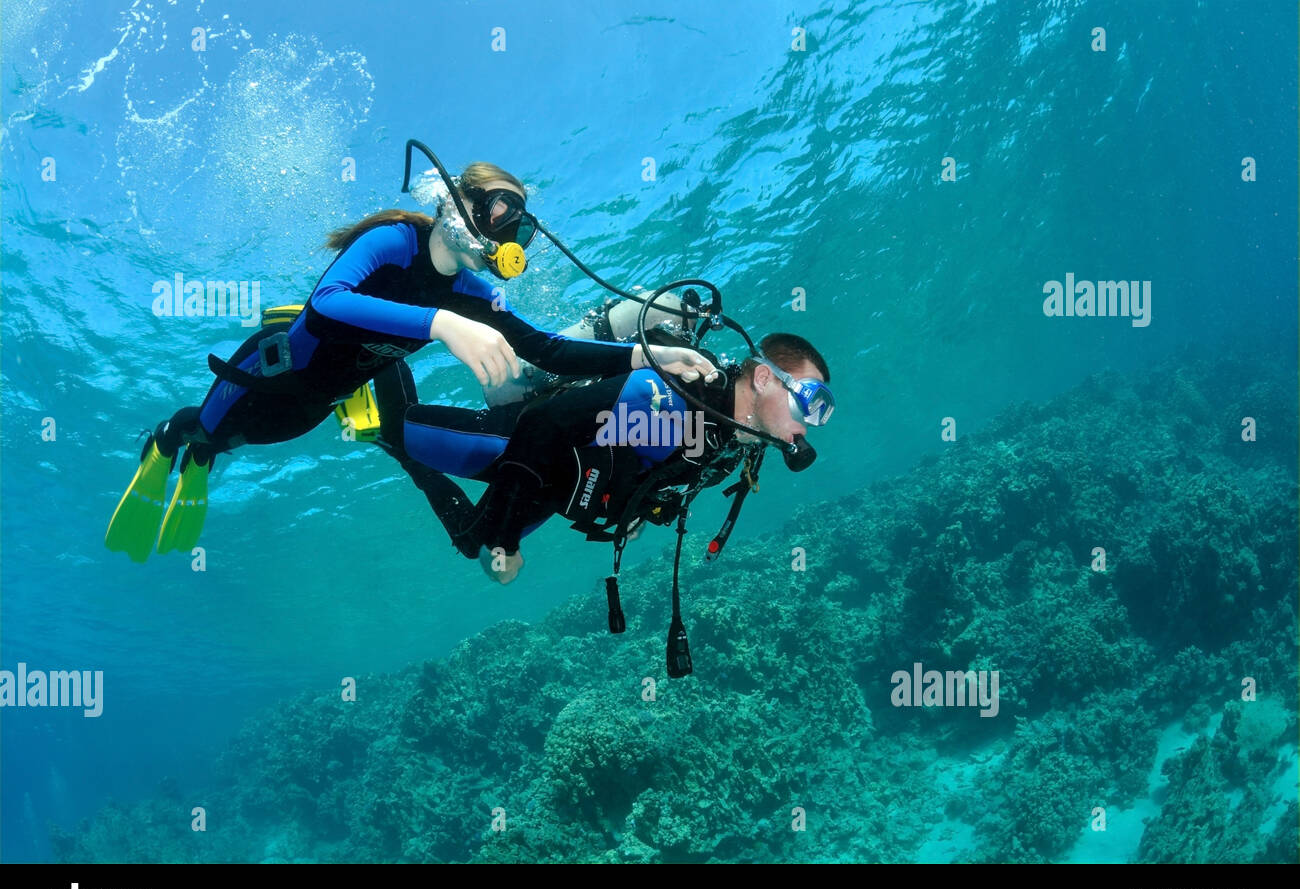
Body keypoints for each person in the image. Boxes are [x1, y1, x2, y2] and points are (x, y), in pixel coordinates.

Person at [105, 161, 715, 562]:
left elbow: (547, 350)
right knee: (209, 430)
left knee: (244, 442)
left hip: (312, 407)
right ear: (456, 201)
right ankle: (170, 440)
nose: (505, 236)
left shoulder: (476, 294)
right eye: (499, 212)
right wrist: (441, 324)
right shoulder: (394, 242)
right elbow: (327, 302)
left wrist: (649, 352)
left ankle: (207, 456)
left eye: (519, 229)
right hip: (266, 375)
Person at [374, 331, 833, 585]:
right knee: (399, 427)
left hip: (556, 488)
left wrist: (635, 509)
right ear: (764, 379)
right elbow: (544, 426)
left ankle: (401, 452)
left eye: (818, 413)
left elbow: (652, 469)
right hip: (510, 445)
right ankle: (369, 344)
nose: (808, 423)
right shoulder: (671, 397)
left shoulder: (731, 448)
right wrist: (509, 542)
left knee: (475, 545)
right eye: (809, 401)